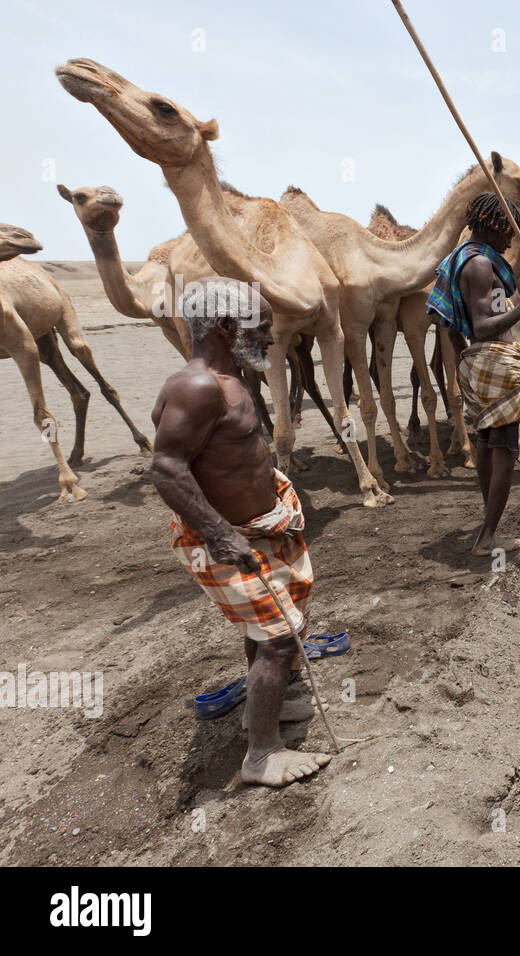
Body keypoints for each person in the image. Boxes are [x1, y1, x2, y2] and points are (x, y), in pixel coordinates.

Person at [150, 278, 330, 788]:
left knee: (268, 631)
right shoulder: (199, 386)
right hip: (225, 538)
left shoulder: (229, 379)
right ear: (228, 327)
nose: (273, 338)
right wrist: (221, 535)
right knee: (277, 639)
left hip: (257, 530)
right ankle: (261, 756)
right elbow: (166, 467)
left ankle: (262, 714)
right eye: (264, 327)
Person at [427, 191, 520, 556]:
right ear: (493, 225)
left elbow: (448, 321)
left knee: (486, 442)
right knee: (505, 449)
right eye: (508, 230)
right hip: (495, 361)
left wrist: (466, 362)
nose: (511, 239)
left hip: (477, 362)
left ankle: (488, 521)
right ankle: (488, 538)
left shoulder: (457, 261)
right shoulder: (481, 266)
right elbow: (483, 325)